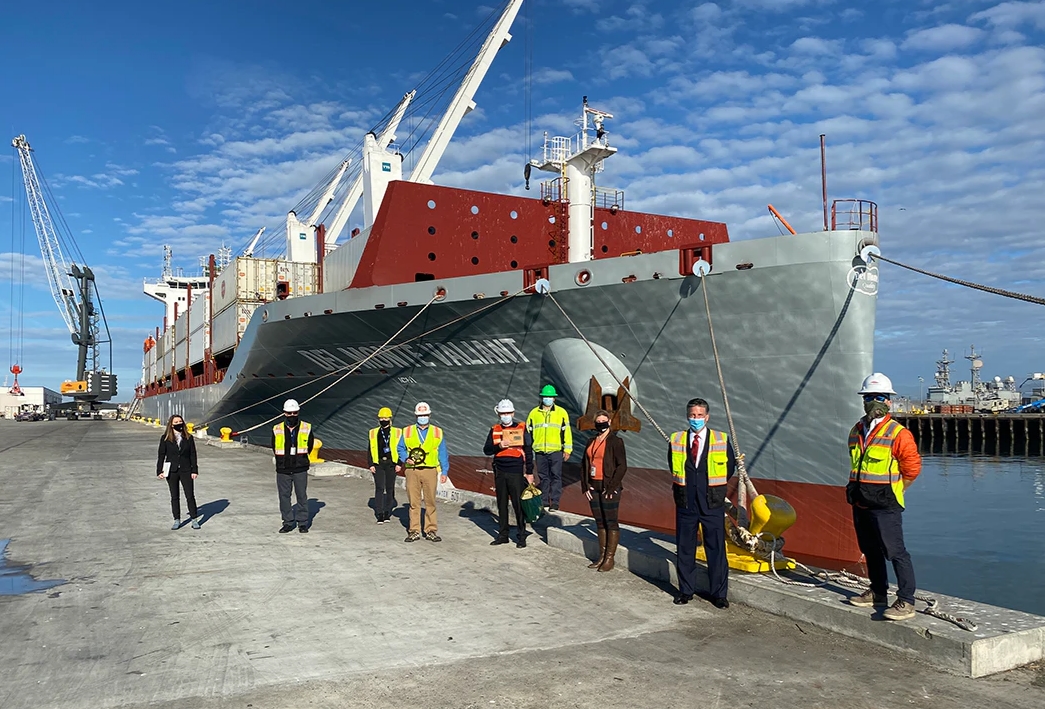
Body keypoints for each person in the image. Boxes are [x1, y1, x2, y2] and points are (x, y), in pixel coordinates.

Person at [846, 373, 922, 621]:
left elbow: (912, 469)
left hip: (885, 504)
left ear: (889, 402)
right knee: (870, 550)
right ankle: (878, 592)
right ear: (863, 400)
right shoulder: (856, 431)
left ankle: (906, 600)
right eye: (869, 397)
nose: (874, 402)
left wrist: (895, 491)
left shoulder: (898, 434)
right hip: (861, 501)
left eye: (880, 397)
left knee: (896, 552)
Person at [670, 397, 736, 608]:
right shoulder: (676, 439)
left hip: (712, 503)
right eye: (692, 415)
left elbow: (730, 466)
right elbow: (672, 465)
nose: (696, 419)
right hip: (686, 502)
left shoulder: (721, 439)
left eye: (700, 415)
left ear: (707, 417)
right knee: (685, 548)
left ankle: (718, 594)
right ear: (687, 416)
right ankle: (685, 590)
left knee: (716, 548)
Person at [483, 399, 535, 548]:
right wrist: (499, 446)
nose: (505, 415)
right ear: (499, 414)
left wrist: (529, 472)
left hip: (516, 472)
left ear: (513, 413)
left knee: (518, 504)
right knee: (502, 504)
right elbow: (486, 450)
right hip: (500, 471)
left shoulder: (522, 427)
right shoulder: (495, 429)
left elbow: (528, 451)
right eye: (502, 413)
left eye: (508, 413)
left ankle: (521, 535)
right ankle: (503, 534)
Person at [580, 409, 628, 571]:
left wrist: (613, 486)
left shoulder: (616, 441)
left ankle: (609, 558)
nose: (601, 424)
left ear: (609, 422)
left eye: (603, 421)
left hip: (609, 487)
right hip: (594, 486)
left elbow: (622, 466)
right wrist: (585, 485)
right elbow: (584, 464)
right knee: (599, 522)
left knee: (611, 521)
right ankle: (601, 556)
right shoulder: (590, 441)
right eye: (598, 422)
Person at [397, 402, 450, 543]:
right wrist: (406, 458)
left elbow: (443, 452)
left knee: (430, 501)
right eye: (420, 415)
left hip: (430, 470)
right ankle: (414, 531)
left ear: (430, 415)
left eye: (425, 415)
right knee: (414, 502)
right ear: (416, 416)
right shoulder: (407, 431)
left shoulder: (437, 432)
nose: (423, 417)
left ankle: (431, 530)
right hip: (412, 470)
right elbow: (400, 448)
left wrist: (444, 470)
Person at [526, 384, 572, 511]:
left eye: (550, 396)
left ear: (554, 398)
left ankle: (555, 502)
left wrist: (567, 449)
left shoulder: (561, 413)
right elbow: (528, 433)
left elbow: (566, 432)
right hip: (540, 451)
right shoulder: (534, 413)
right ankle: (545, 502)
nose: (548, 398)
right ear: (542, 398)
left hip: (555, 451)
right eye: (546, 396)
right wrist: (528, 450)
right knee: (543, 477)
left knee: (556, 476)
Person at [272, 399, 315, 533]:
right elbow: (274, 446)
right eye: (289, 413)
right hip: (283, 469)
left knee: (301, 495)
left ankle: (302, 522)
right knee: (284, 496)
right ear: (284, 413)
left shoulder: (306, 427)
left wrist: (300, 459)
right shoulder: (276, 428)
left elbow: (310, 445)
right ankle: (288, 522)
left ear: (298, 412)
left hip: (300, 468)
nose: (292, 415)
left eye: (294, 413)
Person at [156, 414, 200, 530]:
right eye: (176, 422)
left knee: (190, 496)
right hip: (172, 470)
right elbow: (161, 455)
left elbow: (193, 454)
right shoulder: (165, 438)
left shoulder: (188, 437)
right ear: (171, 424)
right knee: (174, 496)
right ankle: (177, 520)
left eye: (180, 421)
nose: (178, 424)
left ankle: (194, 519)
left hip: (186, 470)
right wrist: (159, 471)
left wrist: (194, 470)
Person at [368, 406, 402, 524]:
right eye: (381, 418)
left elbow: (402, 448)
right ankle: (379, 513)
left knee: (390, 488)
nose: (383, 420)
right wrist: (370, 464)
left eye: (385, 418)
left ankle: (388, 511)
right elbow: (370, 449)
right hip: (378, 464)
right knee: (379, 488)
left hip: (391, 464)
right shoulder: (373, 432)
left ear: (390, 419)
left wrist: (399, 463)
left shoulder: (398, 432)